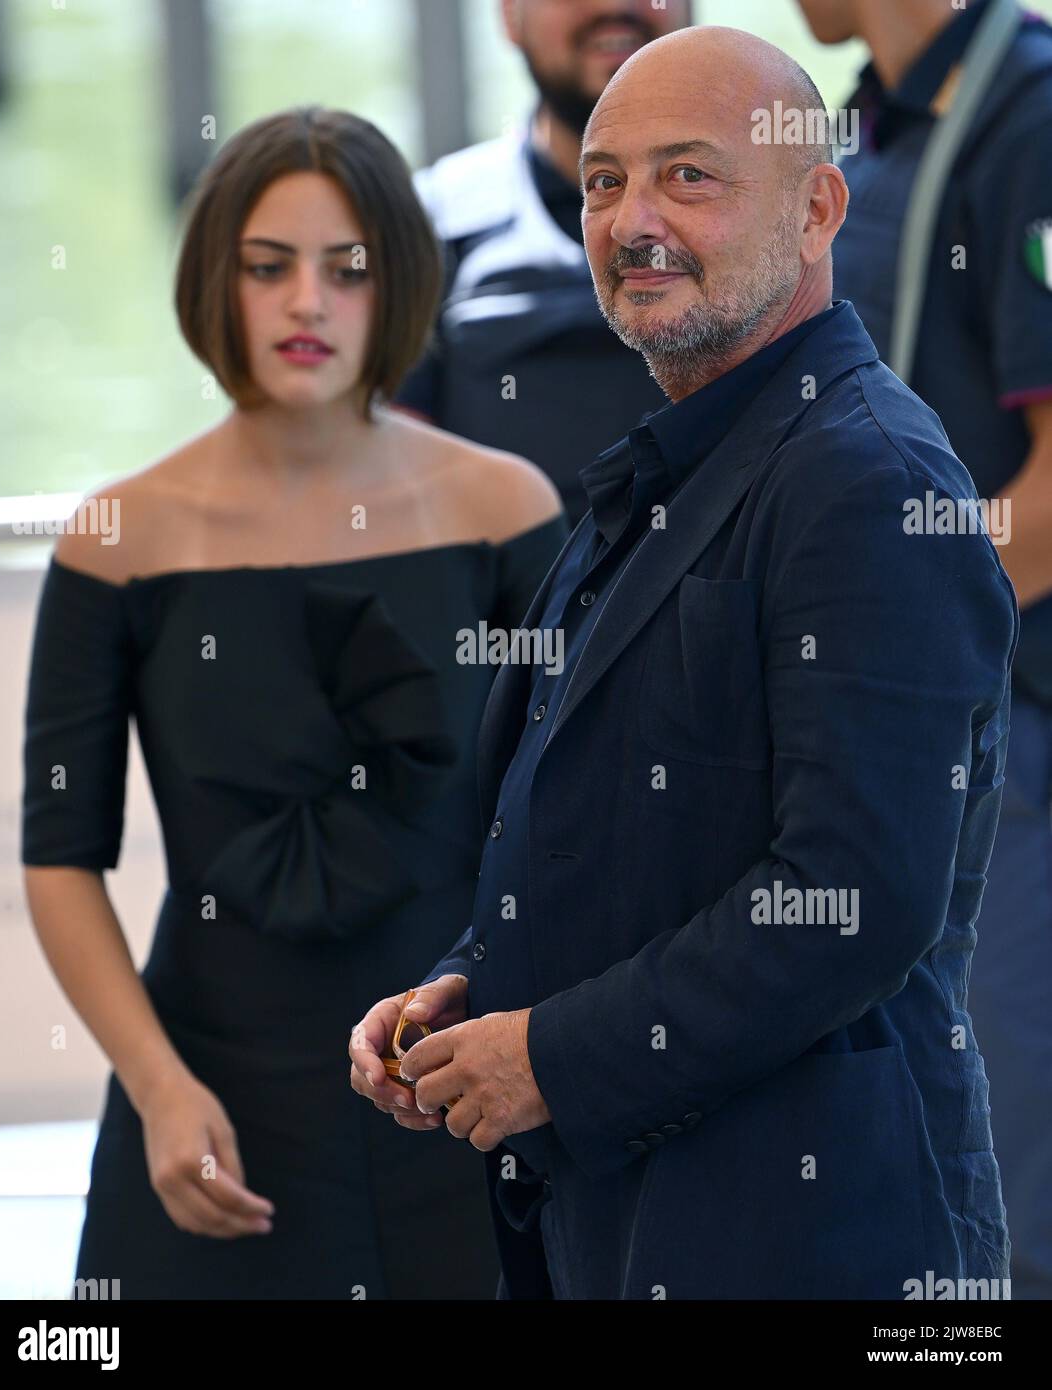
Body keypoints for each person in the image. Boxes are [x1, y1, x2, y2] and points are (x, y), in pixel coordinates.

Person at [350, 26, 1019, 1300]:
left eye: (688, 176)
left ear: (818, 204)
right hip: (620, 1220)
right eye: (603, 182)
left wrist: (549, 1056)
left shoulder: (868, 479)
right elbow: (621, 835)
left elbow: (852, 898)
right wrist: (467, 993)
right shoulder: (683, 459)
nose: (631, 219)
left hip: (822, 1234)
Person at [20, 106, 568, 1300]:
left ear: (401, 286)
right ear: (218, 279)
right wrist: (159, 1087)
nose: (306, 303)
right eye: (269, 267)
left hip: (456, 1087)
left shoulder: (508, 511)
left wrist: (542, 1055)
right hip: (210, 1092)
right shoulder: (118, 538)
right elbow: (61, 858)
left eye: (346, 270)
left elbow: (566, 815)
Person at [796, 0, 1052, 1301]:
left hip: (1002, 729)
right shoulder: (876, 124)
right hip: (911, 737)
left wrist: (886, 661)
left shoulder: (1034, 113)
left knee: (1013, 1188)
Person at [394, 0, 693, 525]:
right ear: (510, 16)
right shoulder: (431, 223)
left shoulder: (780, 214)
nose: (615, 6)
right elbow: (381, 487)